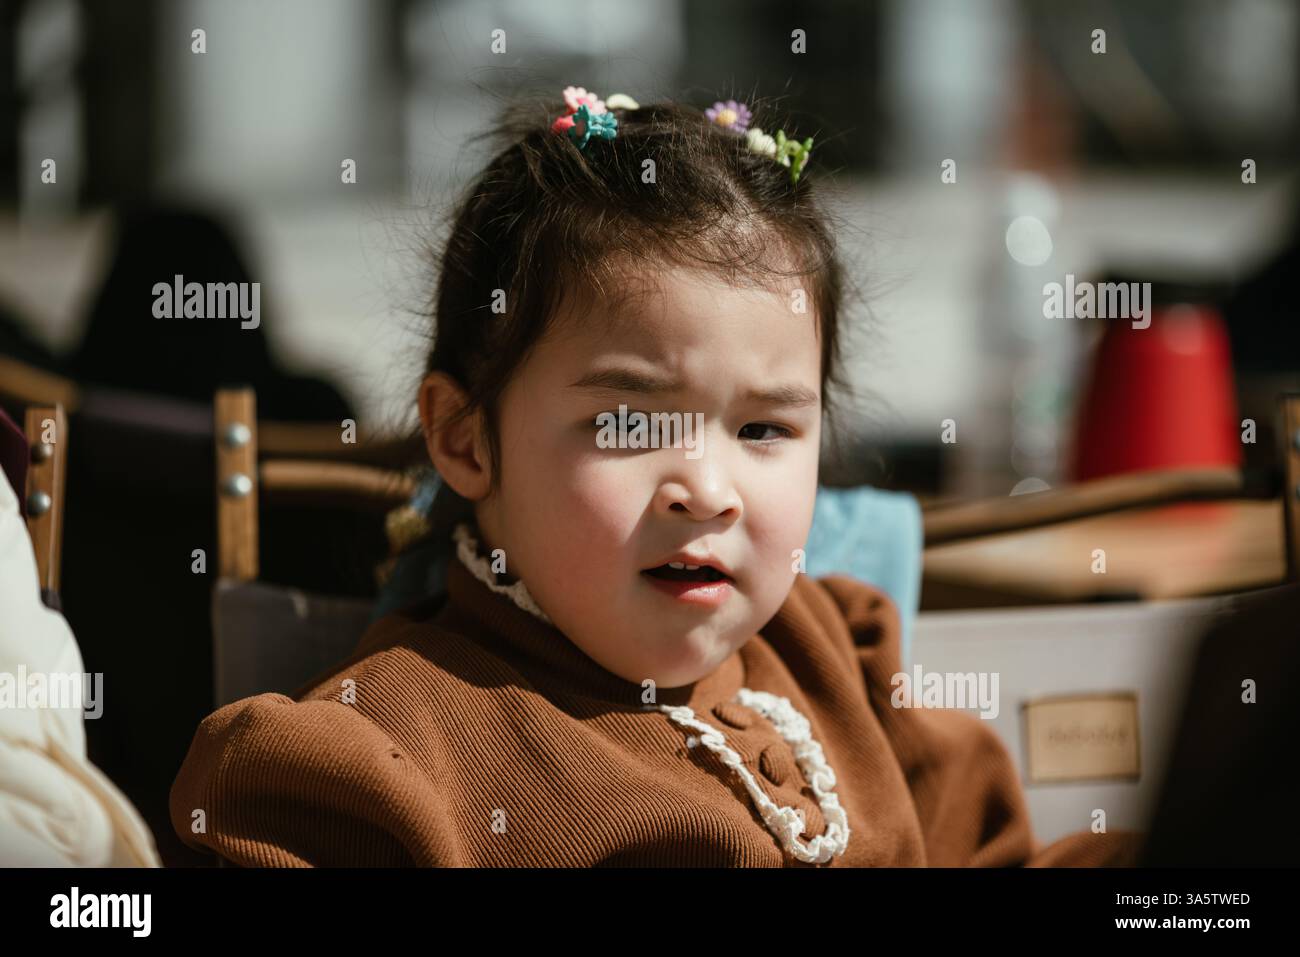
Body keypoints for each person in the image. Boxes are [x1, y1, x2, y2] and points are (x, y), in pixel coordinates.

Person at [170, 88, 1139, 866]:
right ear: (464, 439)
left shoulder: (839, 659)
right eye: (628, 422)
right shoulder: (380, 761)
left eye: (763, 427)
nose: (706, 491)